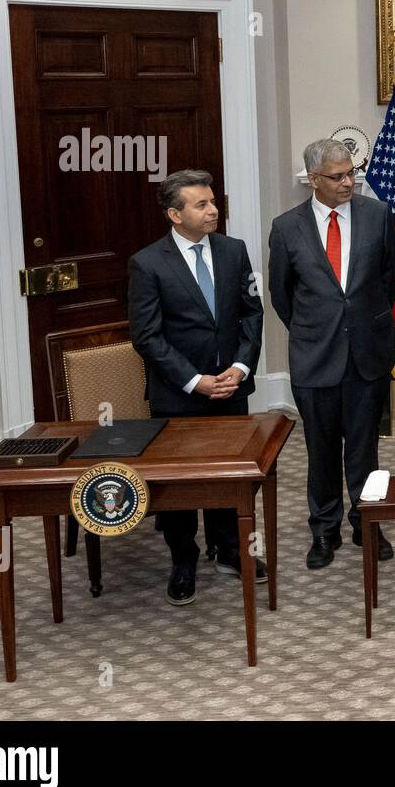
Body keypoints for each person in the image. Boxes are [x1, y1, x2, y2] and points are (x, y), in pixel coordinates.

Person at [128, 169, 264, 606]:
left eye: (212, 201)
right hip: (179, 396)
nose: (213, 210)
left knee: (229, 476)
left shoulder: (233, 251)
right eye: (201, 204)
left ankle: (229, 550)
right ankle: (182, 558)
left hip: (231, 388)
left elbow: (251, 314)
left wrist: (241, 368)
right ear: (174, 214)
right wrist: (194, 380)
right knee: (180, 486)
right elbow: (148, 337)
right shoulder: (147, 263)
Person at [268, 139, 395, 569]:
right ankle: (324, 530)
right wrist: (316, 330)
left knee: (365, 449)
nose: (348, 182)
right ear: (313, 179)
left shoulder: (377, 215)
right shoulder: (287, 227)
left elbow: (389, 280)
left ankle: (367, 521)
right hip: (314, 357)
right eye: (337, 176)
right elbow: (281, 295)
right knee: (320, 449)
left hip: (367, 353)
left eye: (350, 173)